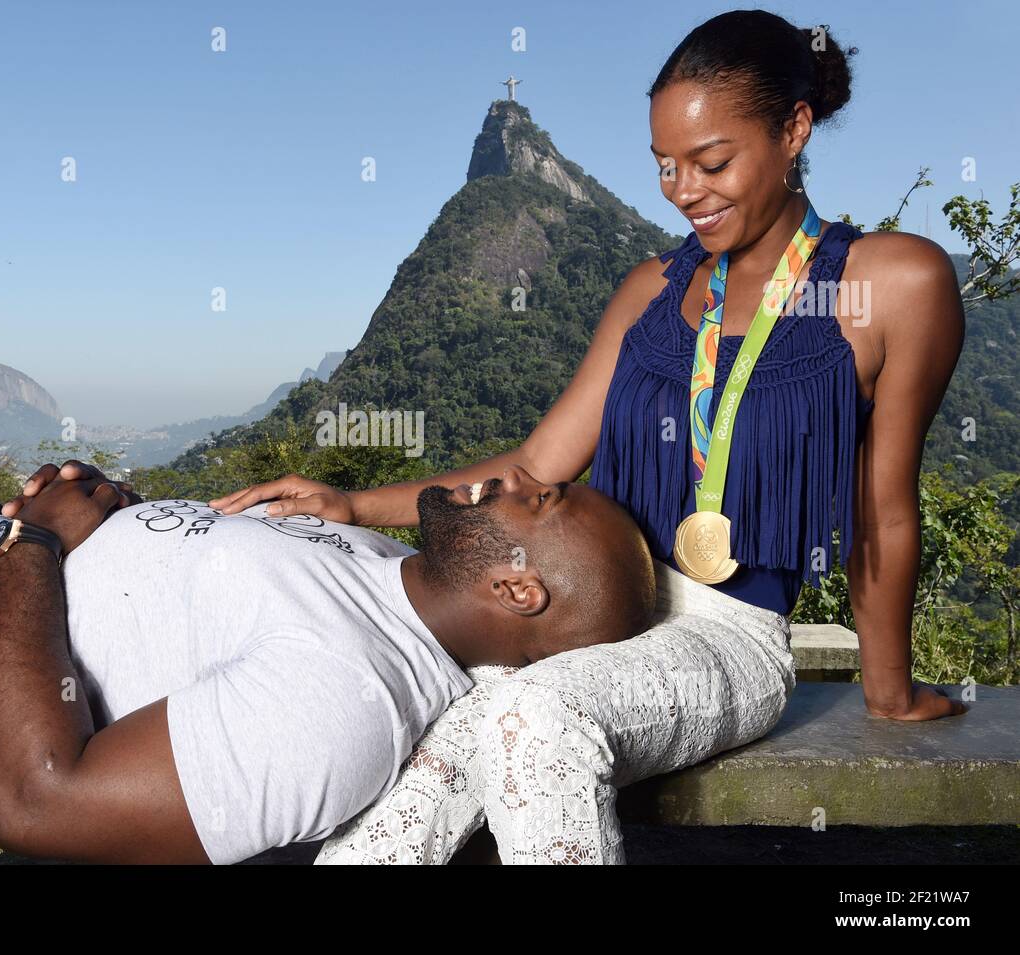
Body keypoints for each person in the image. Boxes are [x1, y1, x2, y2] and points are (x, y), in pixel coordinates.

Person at [206, 10, 968, 865]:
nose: (684, 191)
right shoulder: (649, 287)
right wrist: (349, 503)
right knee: (427, 763)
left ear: (794, 129)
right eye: (666, 167)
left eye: (712, 162)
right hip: (579, 616)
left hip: (727, 634)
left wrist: (890, 690)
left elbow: (883, 511)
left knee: (533, 716)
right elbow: (536, 466)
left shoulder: (896, 283)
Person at [0, 387, 656, 863]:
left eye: (546, 500)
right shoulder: (375, 562)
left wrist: (37, 549)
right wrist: (109, 506)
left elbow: (35, 801)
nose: (526, 473)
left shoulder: (343, 706)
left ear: (518, 590)